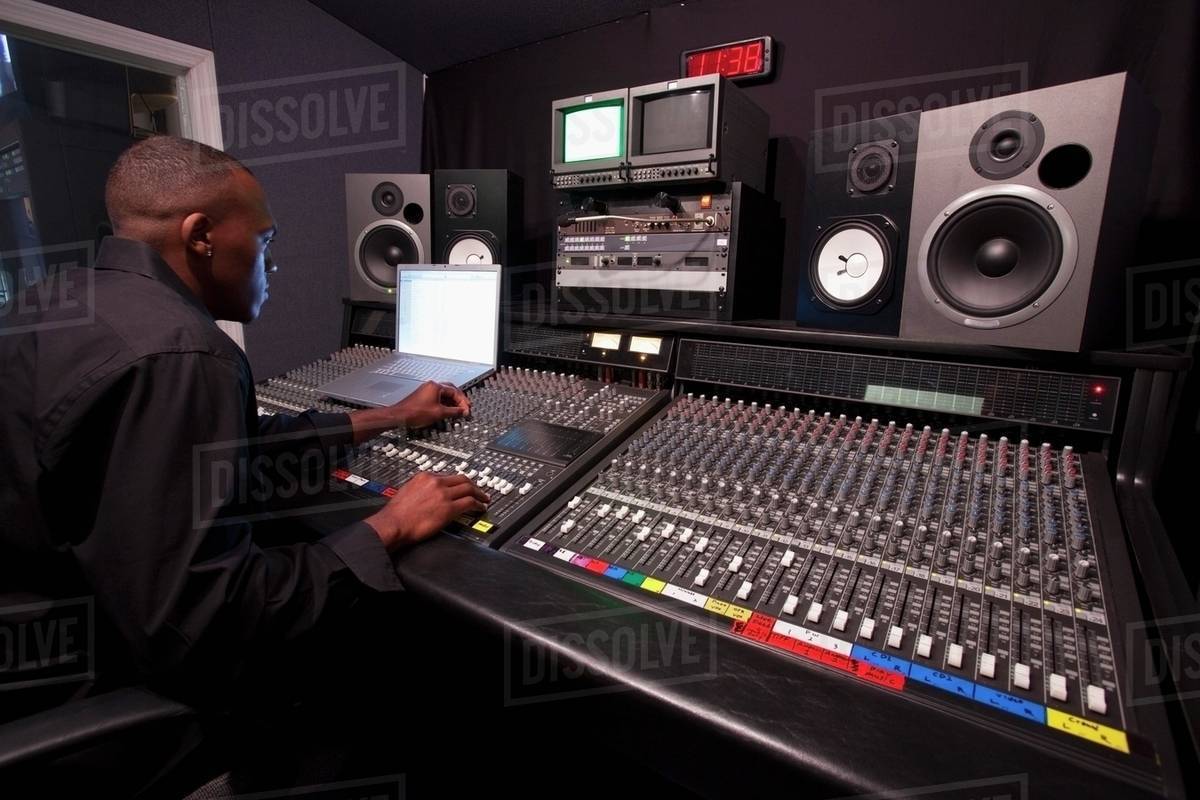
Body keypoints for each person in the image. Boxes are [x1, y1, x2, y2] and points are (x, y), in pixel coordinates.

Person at [0, 135, 490, 726]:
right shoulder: (182, 354)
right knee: (394, 656)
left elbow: (219, 451)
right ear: (201, 235)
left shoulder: (60, 298)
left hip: (36, 633)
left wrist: (389, 417)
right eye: (264, 241)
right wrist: (390, 525)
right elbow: (210, 621)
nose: (270, 262)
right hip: (87, 680)